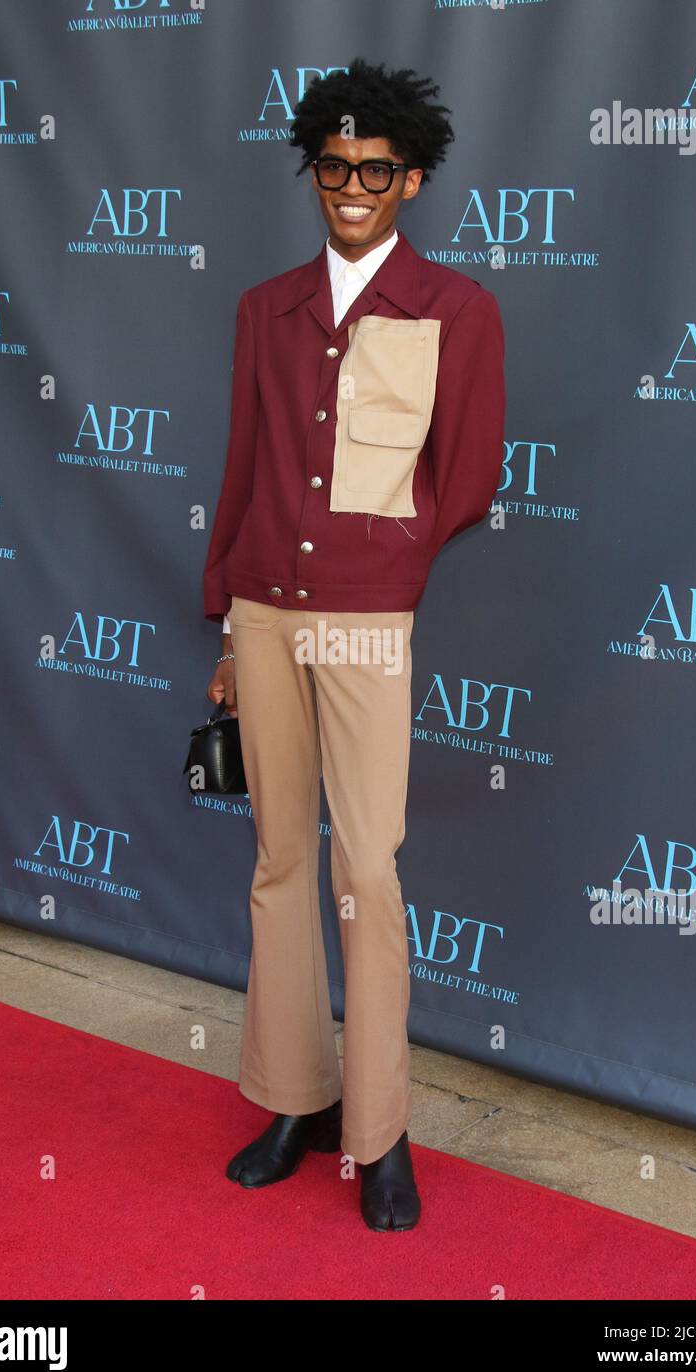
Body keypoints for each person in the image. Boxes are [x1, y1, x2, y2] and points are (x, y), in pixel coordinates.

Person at [203, 57, 506, 1232]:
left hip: (369, 621)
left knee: (364, 871)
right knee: (280, 859)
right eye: (331, 168)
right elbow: (240, 467)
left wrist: (389, 563)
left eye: (374, 171)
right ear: (311, 171)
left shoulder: (455, 311)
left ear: (410, 180)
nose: (349, 187)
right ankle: (293, 1097)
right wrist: (227, 617)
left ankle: (377, 1131)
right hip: (264, 615)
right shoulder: (264, 308)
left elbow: (467, 471)